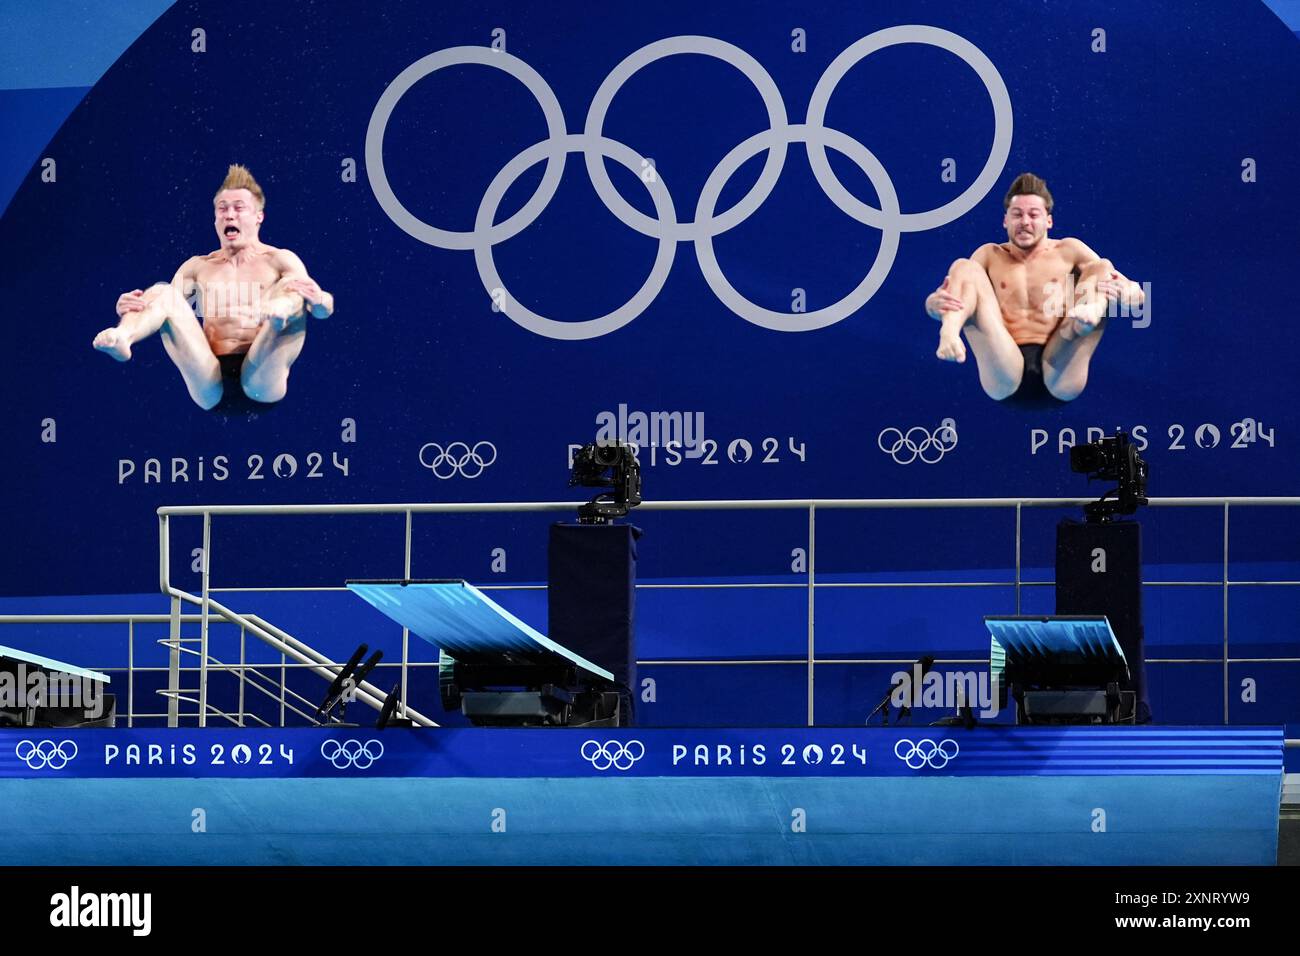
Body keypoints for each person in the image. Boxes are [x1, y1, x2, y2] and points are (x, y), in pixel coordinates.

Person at [93, 164, 333, 410]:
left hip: (262, 377)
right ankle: (122, 337)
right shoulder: (198, 266)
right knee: (162, 292)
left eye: (239, 208)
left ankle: (278, 315)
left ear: (259, 216)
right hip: (210, 380)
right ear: (215, 219)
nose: (230, 215)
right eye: (223, 209)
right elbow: (160, 308)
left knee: (291, 287)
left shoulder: (280, 259)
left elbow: (323, 310)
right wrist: (131, 306)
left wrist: (320, 300)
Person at [924, 172, 1142, 404]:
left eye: (1033, 215)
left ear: (1048, 221)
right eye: (1017, 215)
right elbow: (955, 292)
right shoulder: (990, 255)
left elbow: (1136, 295)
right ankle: (949, 334)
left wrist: (1129, 295)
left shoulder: (1069, 250)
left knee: (1101, 267)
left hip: (1062, 363)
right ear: (1005, 220)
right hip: (1004, 368)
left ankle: (1091, 312)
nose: (1025, 222)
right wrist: (932, 305)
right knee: (963, 267)